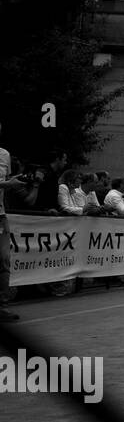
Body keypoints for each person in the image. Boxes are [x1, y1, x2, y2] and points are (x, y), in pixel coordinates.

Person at [0, 123, 27, 321]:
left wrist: (15, 182)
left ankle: (1, 305)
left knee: (4, 259)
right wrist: (7, 183)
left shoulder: (4, 154)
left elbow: (6, 183)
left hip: (0, 215)